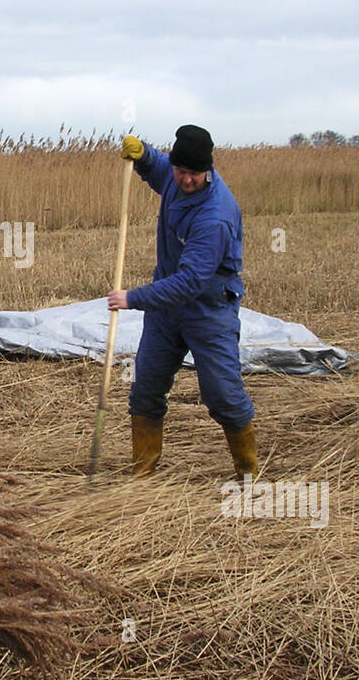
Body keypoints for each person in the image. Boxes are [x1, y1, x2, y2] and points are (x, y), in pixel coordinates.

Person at [107, 126, 259, 481]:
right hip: (166, 313)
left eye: (193, 173)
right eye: (181, 172)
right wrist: (142, 153)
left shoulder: (215, 215)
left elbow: (190, 282)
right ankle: (142, 474)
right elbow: (159, 165)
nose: (185, 180)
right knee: (146, 388)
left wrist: (133, 298)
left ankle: (247, 472)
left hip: (208, 310)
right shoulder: (174, 177)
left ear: (208, 170)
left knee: (222, 394)